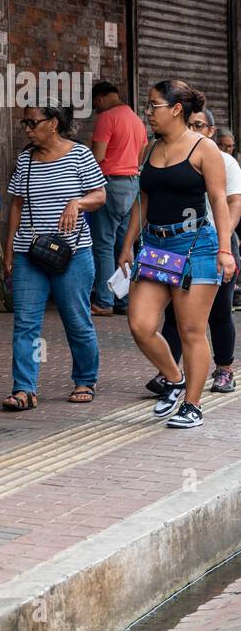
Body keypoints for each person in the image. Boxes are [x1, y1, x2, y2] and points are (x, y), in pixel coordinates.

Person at [120, 80, 236, 429]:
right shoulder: (149, 150)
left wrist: (225, 250)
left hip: (196, 246)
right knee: (140, 324)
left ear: (175, 110)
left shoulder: (205, 149)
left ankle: (193, 405)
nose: (148, 112)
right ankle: (174, 378)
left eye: (153, 105)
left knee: (190, 330)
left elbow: (219, 200)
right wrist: (127, 244)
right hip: (155, 246)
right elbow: (144, 201)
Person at [2, 103, 106, 411]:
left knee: (76, 320)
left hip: (72, 254)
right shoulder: (26, 160)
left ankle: (86, 379)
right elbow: (17, 206)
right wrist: (9, 250)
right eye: (26, 123)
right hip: (29, 252)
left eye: (33, 122)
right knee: (25, 324)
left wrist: (77, 203)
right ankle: (24, 389)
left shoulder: (79, 155)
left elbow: (100, 195)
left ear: (54, 123)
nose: (28, 129)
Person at [152, 106, 241, 394]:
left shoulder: (225, 162)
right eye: (190, 125)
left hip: (216, 245)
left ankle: (224, 369)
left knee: (219, 312)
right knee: (175, 315)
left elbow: (233, 203)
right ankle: (171, 372)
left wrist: (223, 242)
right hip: (177, 244)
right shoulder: (167, 153)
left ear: (211, 131)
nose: (194, 130)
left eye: (200, 126)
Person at [88, 81, 147, 316]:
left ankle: (103, 301)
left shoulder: (107, 117)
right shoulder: (136, 120)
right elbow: (141, 155)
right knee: (124, 246)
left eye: (95, 104)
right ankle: (123, 300)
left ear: (101, 98)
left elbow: (98, 157)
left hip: (110, 184)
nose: (96, 108)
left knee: (103, 245)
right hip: (132, 184)